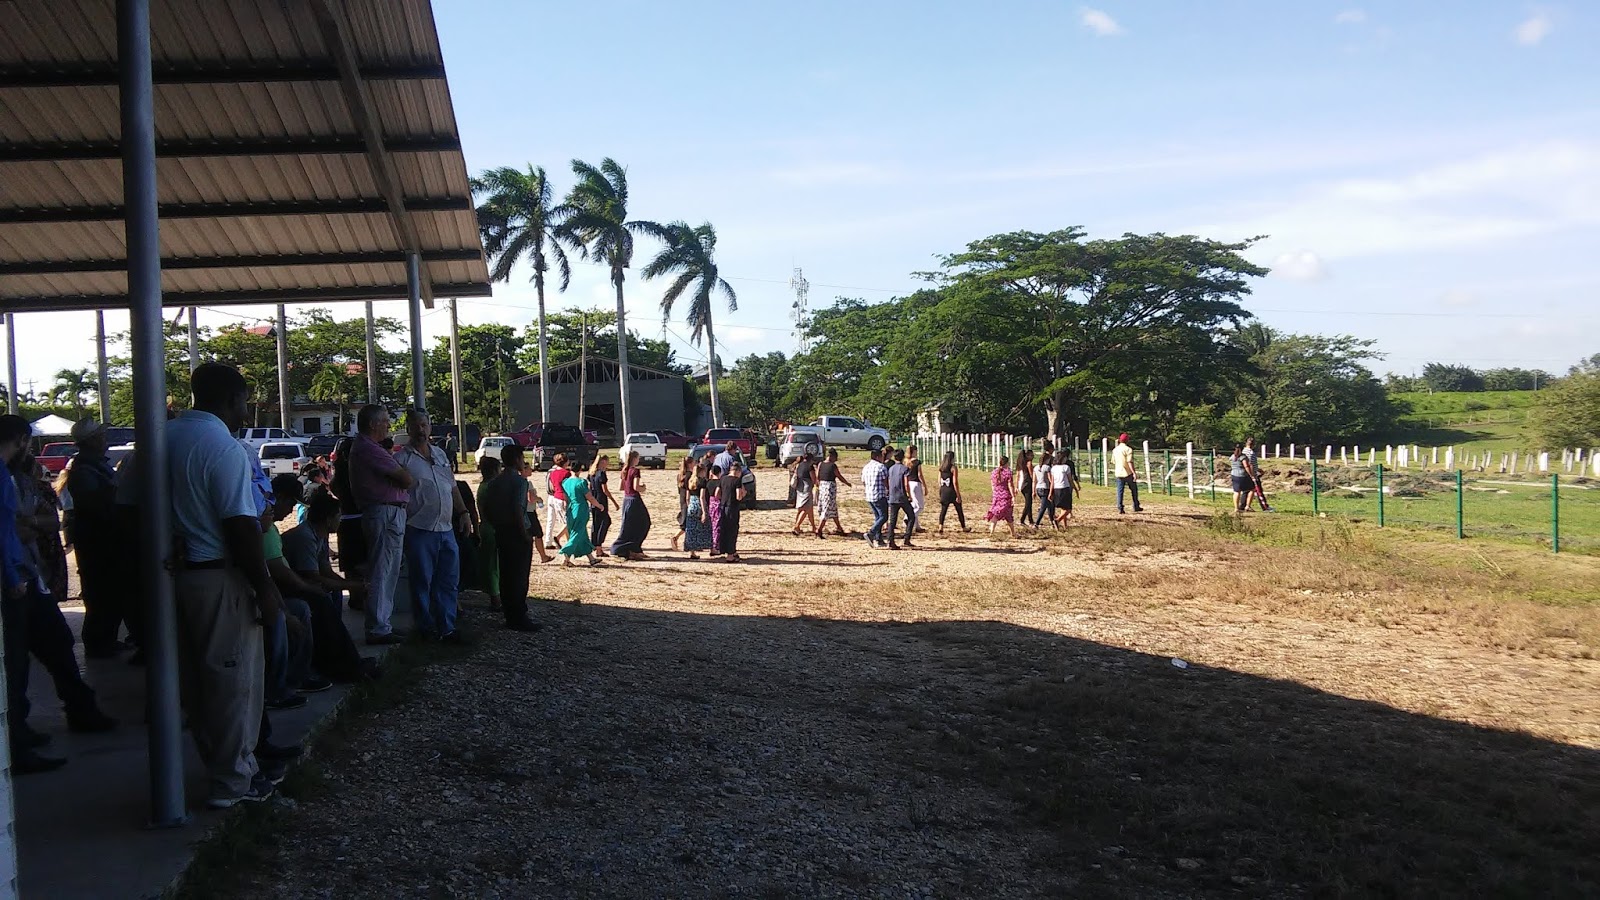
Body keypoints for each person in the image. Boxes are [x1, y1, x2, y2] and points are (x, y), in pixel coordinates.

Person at [167, 363, 287, 807]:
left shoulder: (157, 439)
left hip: (173, 577)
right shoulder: (223, 447)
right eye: (244, 403)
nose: (245, 412)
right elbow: (240, 525)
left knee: (195, 683)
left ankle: (219, 768)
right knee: (233, 683)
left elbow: (127, 510)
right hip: (218, 576)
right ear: (233, 399)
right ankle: (234, 780)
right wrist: (266, 587)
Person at [2, 421, 115, 774]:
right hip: (16, 580)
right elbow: (11, 531)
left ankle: (77, 712)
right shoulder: (10, 478)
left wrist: (32, 525)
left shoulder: (18, 478)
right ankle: (17, 742)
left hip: (29, 577)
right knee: (16, 665)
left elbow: (47, 522)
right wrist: (12, 573)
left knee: (57, 644)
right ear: (21, 440)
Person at [281, 491, 379, 682]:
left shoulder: (320, 536)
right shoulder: (305, 537)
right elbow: (312, 576)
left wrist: (349, 585)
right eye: (338, 516)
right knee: (323, 604)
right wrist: (351, 586)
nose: (340, 520)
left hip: (304, 585)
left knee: (330, 600)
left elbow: (326, 570)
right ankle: (340, 664)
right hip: (291, 588)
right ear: (328, 519)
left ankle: (346, 660)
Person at [395, 409, 465, 643]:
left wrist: (463, 512)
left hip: (446, 528)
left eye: (424, 425)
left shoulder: (440, 455)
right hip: (419, 528)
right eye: (416, 426)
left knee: (448, 580)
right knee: (422, 580)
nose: (420, 430)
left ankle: (447, 627)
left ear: (430, 427)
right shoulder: (401, 460)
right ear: (408, 429)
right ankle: (425, 627)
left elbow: (452, 487)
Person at [349, 405, 415, 645]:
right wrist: (400, 475)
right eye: (386, 421)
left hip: (386, 512)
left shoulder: (368, 448)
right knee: (383, 569)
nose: (389, 425)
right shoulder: (370, 449)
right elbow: (406, 479)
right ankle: (378, 627)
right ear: (373, 424)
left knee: (387, 569)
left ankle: (382, 624)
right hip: (384, 512)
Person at [63, 418, 126, 658]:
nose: (104, 440)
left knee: (108, 591)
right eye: (100, 436)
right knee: (100, 591)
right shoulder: (85, 470)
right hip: (96, 540)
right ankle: (98, 641)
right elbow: (96, 505)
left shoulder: (96, 466)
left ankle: (106, 638)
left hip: (102, 537)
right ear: (90, 441)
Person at [475, 444, 543, 632]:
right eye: (522, 458)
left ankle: (509, 613)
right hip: (516, 532)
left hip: (501, 530)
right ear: (516, 460)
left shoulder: (495, 482)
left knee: (505, 573)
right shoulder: (519, 482)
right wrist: (525, 534)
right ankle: (519, 616)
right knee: (519, 576)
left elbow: (487, 508)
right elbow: (518, 510)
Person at [329, 437, 369, 613]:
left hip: (345, 521)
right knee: (364, 561)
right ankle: (364, 595)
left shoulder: (337, 477)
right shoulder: (360, 473)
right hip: (360, 519)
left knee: (351, 563)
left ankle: (355, 596)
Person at [610, 451, 651, 561]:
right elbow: (636, 487)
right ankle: (633, 548)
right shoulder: (635, 470)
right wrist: (643, 487)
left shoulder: (624, 470)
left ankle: (632, 548)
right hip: (634, 500)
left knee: (629, 525)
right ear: (635, 459)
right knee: (644, 523)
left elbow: (621, 487)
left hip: (626, 500)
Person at [559, 461, 602, 567]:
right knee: (577, 533)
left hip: (570, 508)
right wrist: (599, 505)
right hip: (580, 509)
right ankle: (566, 556)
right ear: (580, 470)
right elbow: (589, 497)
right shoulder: (581, 482)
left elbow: (565, 498)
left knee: (581, 534)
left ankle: (591, 559)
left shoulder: (565, 482)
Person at [475, 457, 502, 611]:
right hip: (492, 528)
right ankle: (496, 598)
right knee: (494, 565)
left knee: (491, 564)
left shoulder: (483, 485)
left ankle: (496, 596)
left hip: (485, 527)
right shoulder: (491, 487)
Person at [715, 459, 747, 562]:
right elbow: (738, 496)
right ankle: (730, 555)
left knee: (724, 529)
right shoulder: (737, 481)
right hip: (732, 507)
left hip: (723, 506)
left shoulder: (723, 479)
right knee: (732, 530)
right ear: (738, 471)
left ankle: (728, 551)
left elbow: (716, 494)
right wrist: (743, 493)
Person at [815, 448, 851, 537]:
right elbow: (839, 476)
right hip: (829, 488)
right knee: (827, 509)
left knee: (833, 509)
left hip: (822, 487)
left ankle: (839, 528)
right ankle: (819, 529)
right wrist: (847, 483)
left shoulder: (820, 464)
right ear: (832, 456)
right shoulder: (832, 466)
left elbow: (817, 476)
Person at [885, 449, 916, 550]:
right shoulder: (905, 469)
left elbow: (889, 482)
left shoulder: (891, 468)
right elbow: (906, 483)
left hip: (892, 496)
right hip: (902, 496)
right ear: (903, 457)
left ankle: (890, 541)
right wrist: (909, 495)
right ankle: (907, 538)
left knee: (892, 520)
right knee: (911, 516)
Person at [588, 454, 618, 557]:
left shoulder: (591, 473)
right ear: (603, 462)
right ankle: (599, 547)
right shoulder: (601, 474)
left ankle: (595, 544)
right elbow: (605, 490)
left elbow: (590, 488)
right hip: (601, 500)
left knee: (596, 524)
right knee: (604, 522)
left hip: (593, 500)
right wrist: (614, 502)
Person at [683, 461, 713, 559]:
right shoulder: (703, 481)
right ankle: (708, 547)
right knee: (705, 527)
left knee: (691, 528)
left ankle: (692, 551)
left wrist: (689, 506)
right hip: (699, 505)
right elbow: (702, 497)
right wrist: (704, 511)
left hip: (691, 504)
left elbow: (687, 497)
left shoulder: (690, 481)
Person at [861, 447, 889, 549]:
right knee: (884, 517)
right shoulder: (881, 467)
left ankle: (879, 539)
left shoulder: (866, 467)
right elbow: (886, 481)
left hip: (869, 495)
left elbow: (863, 481)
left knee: (878, 517)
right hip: (879, 494)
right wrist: (888, 490)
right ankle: (871, 532)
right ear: (877, 457)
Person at [936, 451, 969, 533]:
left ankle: (941, 525)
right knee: (959, 509)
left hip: (944, 490)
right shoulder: (953, 468)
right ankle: (963, 526)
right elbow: (955, 482)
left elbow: (939, 480)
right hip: (951, 490)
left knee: (943, 509)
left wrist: (941, 490)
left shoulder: (941, 467)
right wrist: (958, 494)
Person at [984, 454, 1016, 537]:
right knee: (1004, 514)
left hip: (996, 495)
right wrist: (1013, 496)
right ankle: (1011, 532)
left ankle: (1012, 533)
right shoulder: (1008, 472)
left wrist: (995, 493)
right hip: (1005, 496)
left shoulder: (994, 472)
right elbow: (1010, 485)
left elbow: (992, 484)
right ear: (1007, 463)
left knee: (1000, 513)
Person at [545, 453, 571, 549]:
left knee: (559, 521)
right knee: (568, 522)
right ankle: (558, 537)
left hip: (555, 496)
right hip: (562, 497)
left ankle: (568, 542)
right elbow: (567, 488)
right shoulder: (566, 473)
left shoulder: (552, 472)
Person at [1112, 432, 1142, 514]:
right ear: (1127, 440)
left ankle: (1120, 507)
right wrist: (1134, 472)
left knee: (1120, 491)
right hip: (1127, 472)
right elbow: (1129, 461)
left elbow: (1113, 461)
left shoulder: (1115, 450)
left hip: (1118, 472)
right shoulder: (1128, 449)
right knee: (1134, 490)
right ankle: (1136, 505)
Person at [1051, 451, 1082, 526]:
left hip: (1056, 489)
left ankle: (1064, 525)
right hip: (1065, 488)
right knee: (1068, 509)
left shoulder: (1053, 468)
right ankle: (1057, 520)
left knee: (1063, 508)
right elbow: (1070, 480)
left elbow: (1052, 481)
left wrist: (1051, 492)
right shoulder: (1066, 467)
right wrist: (1075, 488)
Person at [791, 450, 818, 536]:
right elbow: (813, 479)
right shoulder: (810, 467)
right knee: (805, 509)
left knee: (807, 509)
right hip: (807, 488)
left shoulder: (799, 465)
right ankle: (796, 526)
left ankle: (813, 527)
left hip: (799, 488)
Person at [669, 455, 692, 552]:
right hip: (687, 499)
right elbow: (689, 490)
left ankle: (679, 539)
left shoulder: (680, 475)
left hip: (681, 498)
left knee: (685, 520)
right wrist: (689, 501)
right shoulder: (689, 475)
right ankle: (675, 537)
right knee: (686, 522)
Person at [906, 445, 927, 532]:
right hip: (916, 483)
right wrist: (925, 485)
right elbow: (919, 474)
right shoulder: (917, 462)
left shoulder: (906, 461)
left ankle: (917, 526)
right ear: (914, 451)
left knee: (914, 504)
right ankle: (909, 518)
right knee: (920, 506)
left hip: (909, 483)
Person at [1033, 452, 1055, 529]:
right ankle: (1036, 523)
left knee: (1050, 506)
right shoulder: (1047, 468)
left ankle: (1053, 522)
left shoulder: (1036, 468)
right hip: (1045, 488)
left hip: (1038, 488)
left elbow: (1034, 481)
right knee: (1043, 507)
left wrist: (1033, 491)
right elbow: (1050, 479)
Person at [1015, 448, 1034, 530]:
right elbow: (1031, 475)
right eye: (1031, 454)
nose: (1033, 456)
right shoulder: (1029, 463)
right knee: (1028, 503)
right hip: (1027, 484)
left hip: (1022, 485)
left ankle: (1030, 520)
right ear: (1027, 456)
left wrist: (1016, 486)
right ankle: (1022, 519)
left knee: (1028, 502)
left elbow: (1018, 476)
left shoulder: (1021, 464)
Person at [1230, 445, 1251, 512]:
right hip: (1242, 475)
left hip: (1234, 475)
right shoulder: (1243, 457)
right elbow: (1246, 466)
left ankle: (1236, 508)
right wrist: (1251, 474)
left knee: (1236, 492)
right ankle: (1247, 506)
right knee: (1251, 489)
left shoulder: (1233, 456)